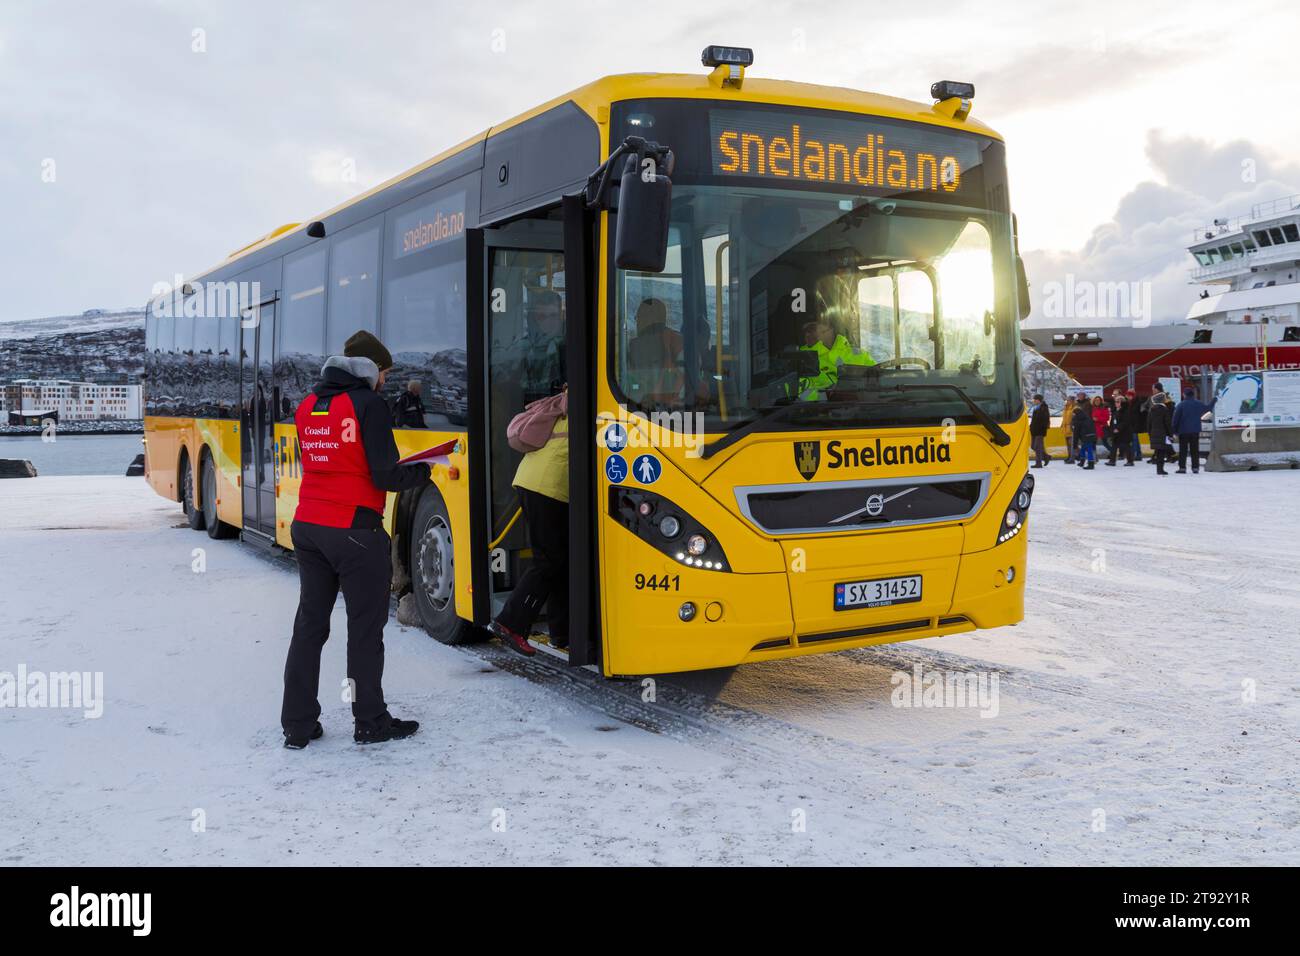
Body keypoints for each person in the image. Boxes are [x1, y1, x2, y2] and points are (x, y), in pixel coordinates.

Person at [281, 330, 433, 748]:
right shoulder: (370, 405)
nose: (386, 379)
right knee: (365, 629)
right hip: (355, 531)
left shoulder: (309, 405)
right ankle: (370, 720)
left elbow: (329, 462)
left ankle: (297, 724)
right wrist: (424, 471)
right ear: (371, 370)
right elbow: (385, 474)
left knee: (310, 626)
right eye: (384, 371)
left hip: (308, 526)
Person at [488, 385, 570, 656]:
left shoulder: (562, 404)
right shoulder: (584, 407)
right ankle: (510, 623)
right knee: (548, 561)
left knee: (560, 560)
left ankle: (563, 633)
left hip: (533, 482)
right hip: (547, 488)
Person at [1172, 387, 1215, 474]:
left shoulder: (1181, 405)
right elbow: (1208, 409)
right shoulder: (1198, 403)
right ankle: (1195, 468)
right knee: (1194, 450)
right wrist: (1214, 400)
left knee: (1183, 450)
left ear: (1184, 395)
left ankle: (1182, 468)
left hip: (1183, 431)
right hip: (1195, 431)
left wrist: (1174, 430)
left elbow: (1175, 419)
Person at [1147, 390, 1174, 476]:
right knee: (1162, 453)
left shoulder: (1152, 410)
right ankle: (1160, 469)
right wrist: (1170, 434)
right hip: (1163, 434)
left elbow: (1149, 423)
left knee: (1158, 452)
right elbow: (1167, 423)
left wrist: (1150, 433)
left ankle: (1159, 469)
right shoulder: (1164, 410)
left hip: (1154, 433)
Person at [1106, 393, 1136, 466]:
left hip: (1124, 432)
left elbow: (1126, 421)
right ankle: (1112, 461)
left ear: (1122, 402)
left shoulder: (1126, 410)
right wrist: (1112, 428)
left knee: (1126, 446)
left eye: (1118, 401)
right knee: (1114, 446)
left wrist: (1118, 428)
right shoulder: (1115, 410)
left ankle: (1130, 461)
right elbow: (1113, 421)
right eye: (1115, 401)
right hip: (1116, 431)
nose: (1116, 403)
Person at [1071, 394, 1096, 469]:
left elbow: (1076, 432)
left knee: (1089, 450)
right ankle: (1082, 461)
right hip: (1092, 435)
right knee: (1083, 448)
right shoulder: (1086, 417)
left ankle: (1091, 464)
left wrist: (1075, 444)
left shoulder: (1078, 420)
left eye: (1073, 414)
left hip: (1086, 436)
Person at [1029, 394, 1051, 468]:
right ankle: (1046, 456)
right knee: (1033, 446)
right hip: (1034, 430)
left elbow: (1045, 419)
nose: (1034, 401)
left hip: (1040, 431)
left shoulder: (1043, 408)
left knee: (1037, 447)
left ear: (1039, 400)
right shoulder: (1035, 408)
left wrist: (1043, 429)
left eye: (1035, 399)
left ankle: (1038, 463)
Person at [1061, 395, 1077, 461]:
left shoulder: (1075, 408)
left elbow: (1075, 418)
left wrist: (1072, 425)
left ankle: (1073, 457)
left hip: (1071, 427)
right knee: (1068, 443)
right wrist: (1062, 424)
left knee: (1071, 443)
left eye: (1069, 400)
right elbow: (1064, 418)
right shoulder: (1066, 408)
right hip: (1065, 427)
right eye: (1067, 400)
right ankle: (1069, 455)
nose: (1067, 401)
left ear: (1072, 401)